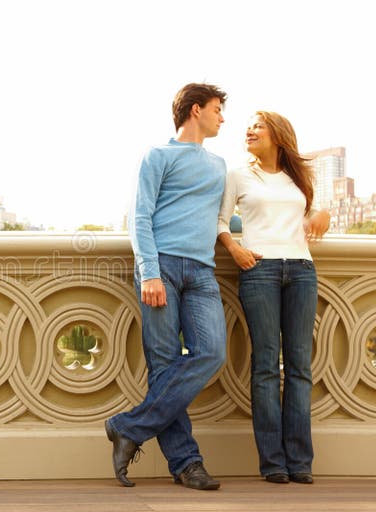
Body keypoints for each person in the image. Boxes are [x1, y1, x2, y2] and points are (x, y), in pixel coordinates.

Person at [105, 83, 228, 490]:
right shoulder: (158, 156)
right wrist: (150, 271)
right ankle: (187, 464)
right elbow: (140, 217)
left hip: (201, 271)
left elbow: (219, 216)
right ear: (195, 111)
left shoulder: (218, 165)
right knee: (163, 366)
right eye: (217, 109)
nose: (222, 117)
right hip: (161, 269)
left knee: (211, 352)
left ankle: (128, 427)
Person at [216, 111, 330, 485]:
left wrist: (322, 216)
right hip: (259, 269)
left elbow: (318, 212)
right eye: (248, 126)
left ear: (277, 135)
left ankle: (300, 461)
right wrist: (235, 249)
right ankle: (273, 463)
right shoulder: (237, 175)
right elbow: (219, 221)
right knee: (265, 364)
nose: (249, 130)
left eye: (257, 126)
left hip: (301, 270)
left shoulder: (299, 177)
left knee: (299, 367)